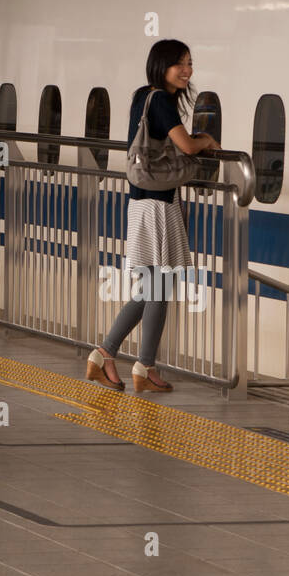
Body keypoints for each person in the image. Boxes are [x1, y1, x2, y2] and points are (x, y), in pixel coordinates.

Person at [86, 39, 220, 393]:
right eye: (180, 64)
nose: (187, 70)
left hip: (143, 204)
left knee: (153, 290)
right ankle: (117, 356)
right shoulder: (160, 100)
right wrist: (206, 139)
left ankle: (126, 361)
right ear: (162, 66)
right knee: (157, 290)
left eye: (190, 63)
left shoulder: (141, 96)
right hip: (158, 207)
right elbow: (187, 147)